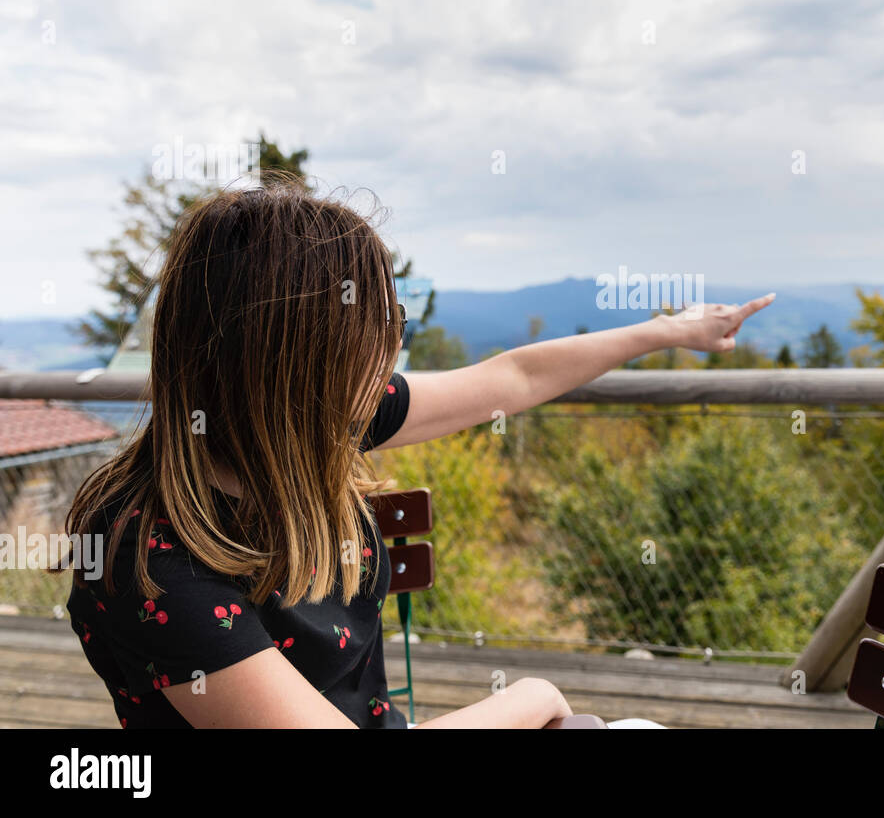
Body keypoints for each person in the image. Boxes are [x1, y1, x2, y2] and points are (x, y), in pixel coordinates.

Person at [61, 180, 773, 728]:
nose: (393, 343)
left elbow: (514, 378)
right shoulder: (150, 558)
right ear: (293, 357)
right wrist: (530, 695)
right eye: (379, 322)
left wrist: (666, 331)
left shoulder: (313, 427)